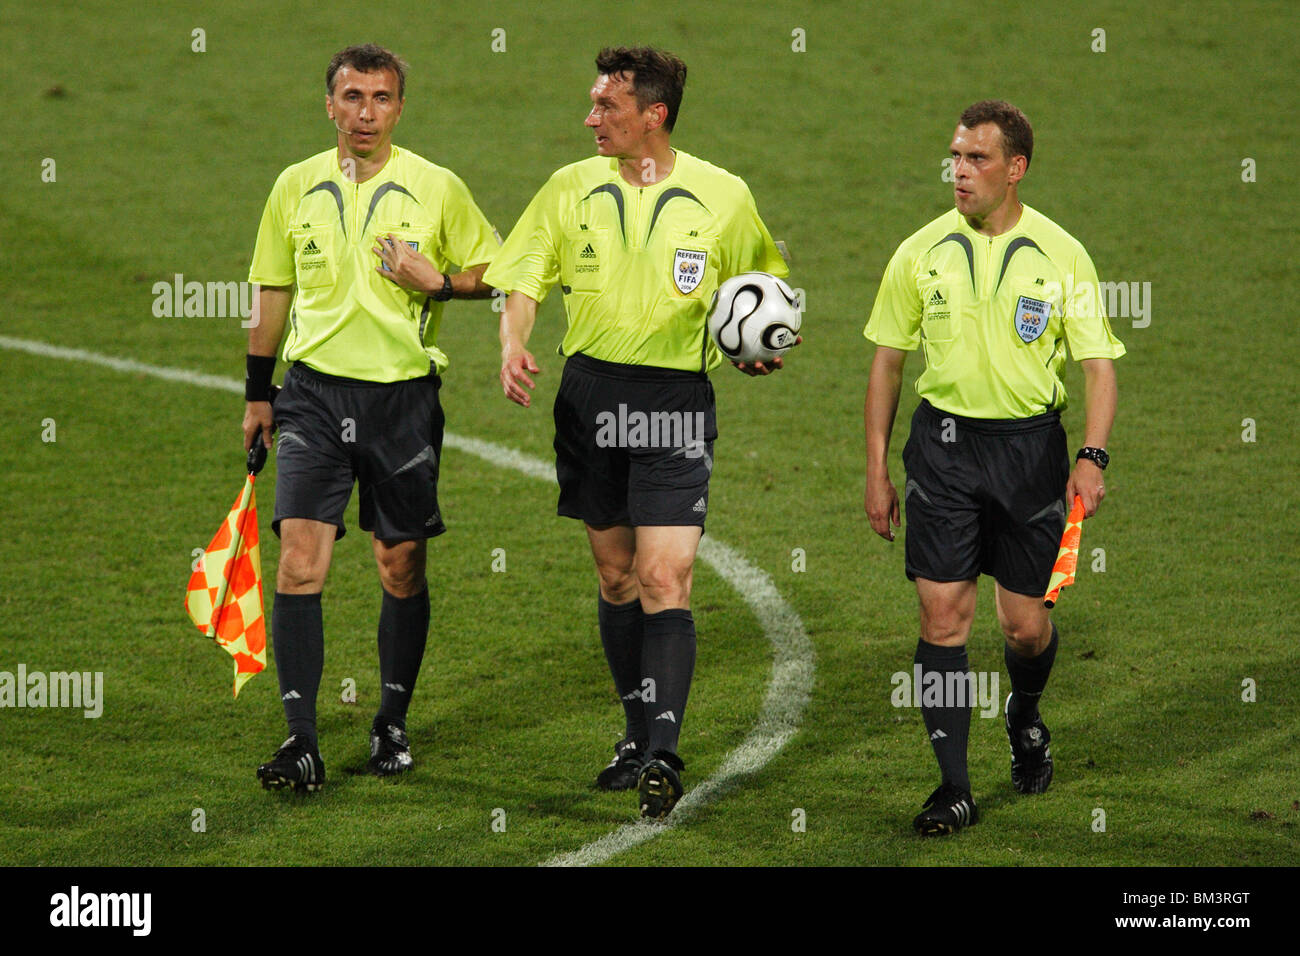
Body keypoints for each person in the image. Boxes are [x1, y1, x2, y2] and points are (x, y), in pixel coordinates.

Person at [484, 46, 791, 820]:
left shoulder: (723, 196)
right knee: (618, 579)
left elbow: (766, 288)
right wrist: (512, 342)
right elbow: (524, 278)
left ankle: (663, 750)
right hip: (589, 397)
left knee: (664, 579)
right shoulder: (568, 188)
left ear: (653, 115)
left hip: (674, 403)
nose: (590, 118)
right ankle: (633, 732)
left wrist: (764, 346)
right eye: (591, 104)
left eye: (607, 108)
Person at [242, 43, 499, 791]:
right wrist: (260, 393)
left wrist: (442, 281)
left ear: (399, 107)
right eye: (351, 97)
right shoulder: (294, 186)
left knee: (401, 563)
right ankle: (301, 739)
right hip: (314, 396)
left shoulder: (436, 187)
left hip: (402, 401)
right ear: (329, 106)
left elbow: (500, 270)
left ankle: (391, 719)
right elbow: (272, 290)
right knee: (297, 559)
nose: (365, 112)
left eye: (380, 98)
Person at [863, 100, 1123, 834]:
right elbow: (887, 364)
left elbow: (1098, 368)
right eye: (954, 156)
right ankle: (953, 789)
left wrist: (1091, 457)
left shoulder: (1062, 254)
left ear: (1016, 169)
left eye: (976, 159)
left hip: (1031, 455)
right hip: (942, 450)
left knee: (1024, 628)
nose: (959, 171)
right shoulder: (919, 250)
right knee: (942, 615)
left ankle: (1026, 712)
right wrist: (877, 468)